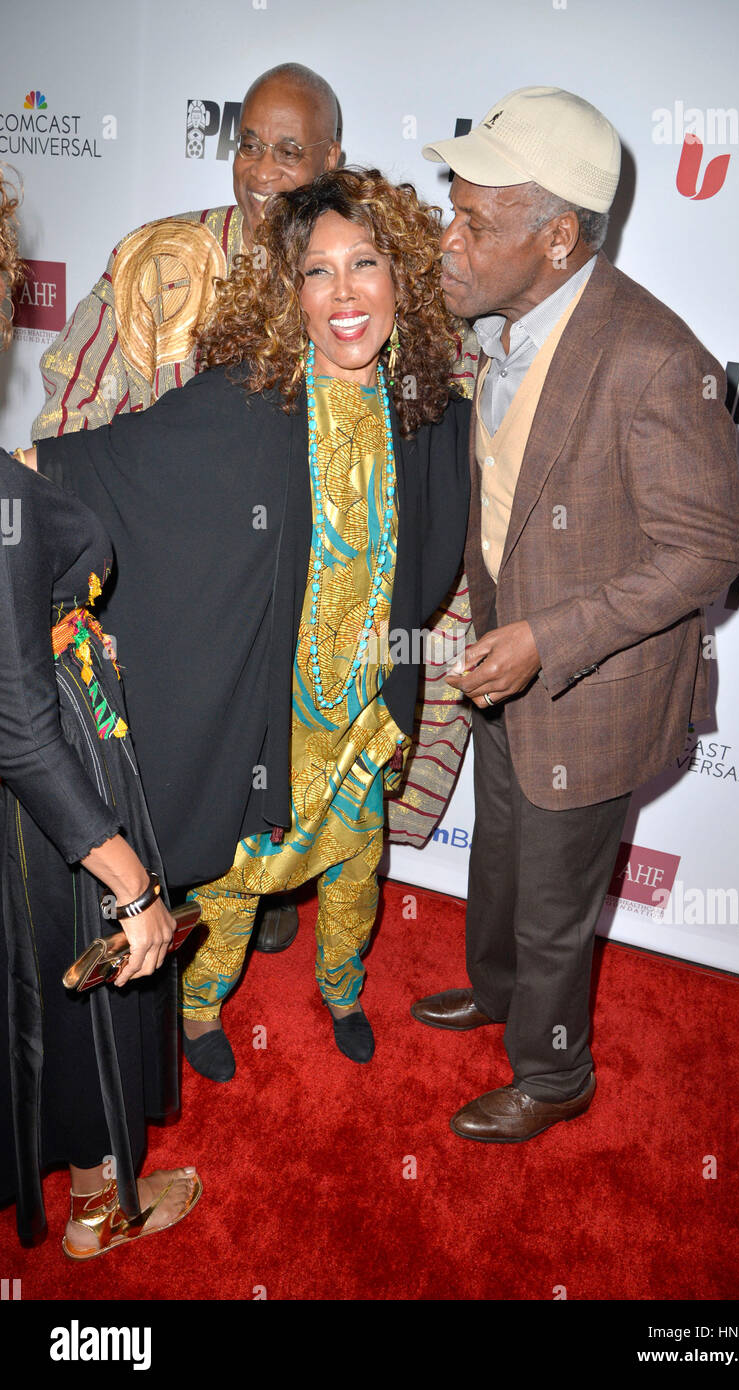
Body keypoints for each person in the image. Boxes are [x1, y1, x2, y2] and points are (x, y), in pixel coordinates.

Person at [26, 168, 471, 1078]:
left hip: (362, 713)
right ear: (289, 293)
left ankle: (342, 992)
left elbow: (430, 558)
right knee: (232, 892)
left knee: (356, 873)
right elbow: (106, 467)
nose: (345, 294)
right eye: (317, 273)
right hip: (273, 717)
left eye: (366, 263)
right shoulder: (252, 400)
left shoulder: (425, 409)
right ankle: (198, 1015)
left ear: (403, 278)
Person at [411, 87, 739, 1142]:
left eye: (474, 224)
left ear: (559, 238)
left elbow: (712, 546)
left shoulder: (655, 359)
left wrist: (547, 639)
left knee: (559, 903)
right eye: (448, 213)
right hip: (508, 662)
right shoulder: (506, 321)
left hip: (592, 682)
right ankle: (501, 992)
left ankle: (555, 1077)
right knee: (501, 853)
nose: (447, 244)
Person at [0, 168, 202, 1256]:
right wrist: (134, 891)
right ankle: (96, 1206)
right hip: (36, 824)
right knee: (66, 1007)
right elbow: (19, 726)